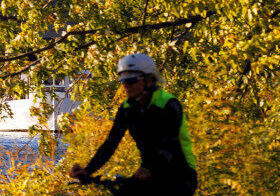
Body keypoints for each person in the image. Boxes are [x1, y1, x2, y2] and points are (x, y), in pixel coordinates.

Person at [69, 53, 198, 196]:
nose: (126, 84)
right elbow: (110, 144)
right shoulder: (127, 108)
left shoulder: (167, 104)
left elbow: (170, 144)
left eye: (131, 79)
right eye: (123, 79)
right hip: (150, 172)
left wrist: (148, 167)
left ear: (149, 80)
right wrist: (87, 170)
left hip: (180, 173)